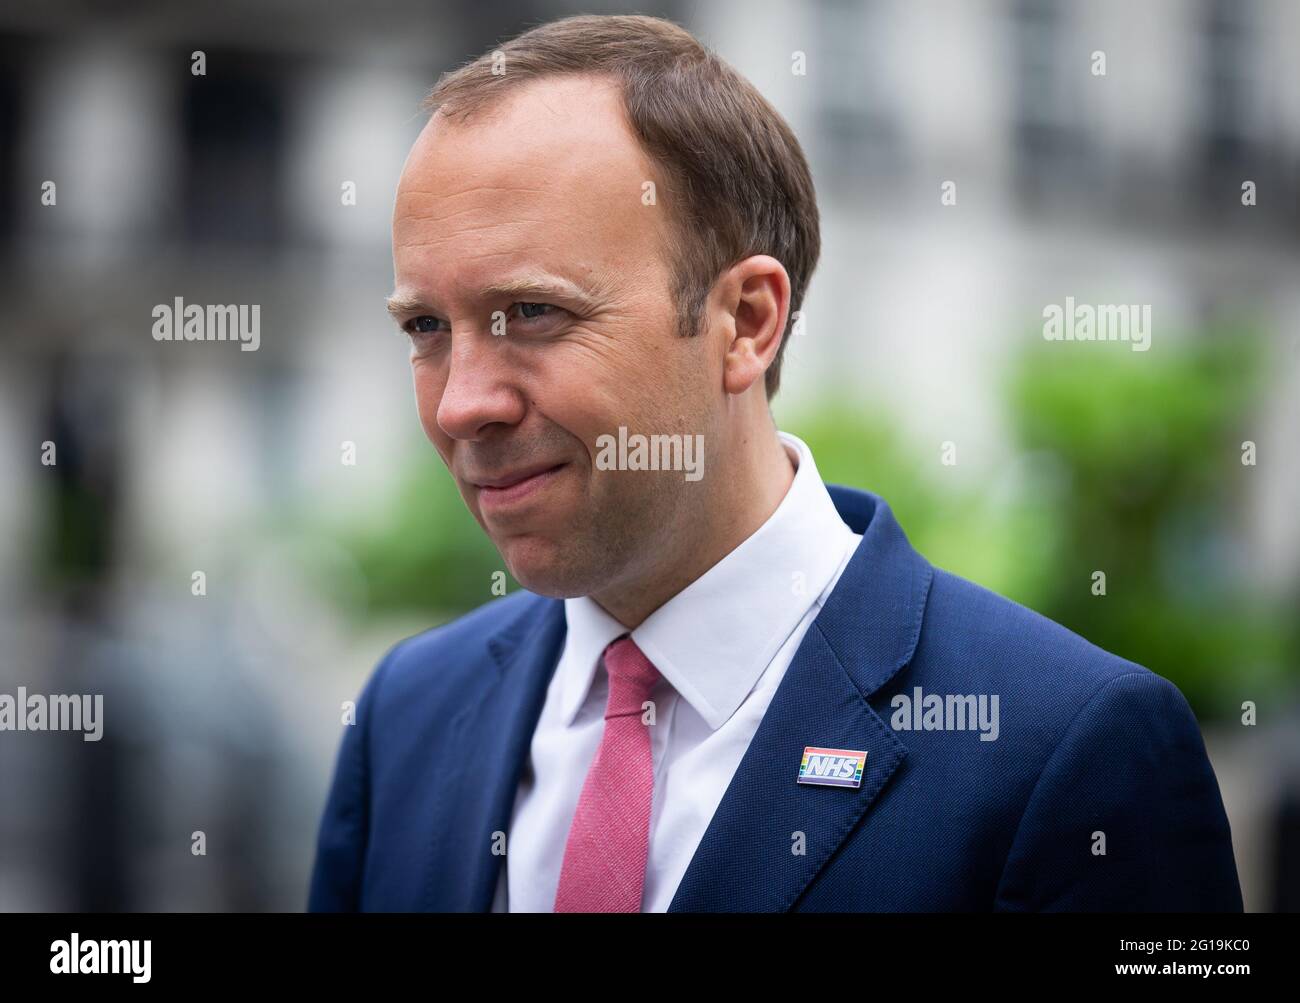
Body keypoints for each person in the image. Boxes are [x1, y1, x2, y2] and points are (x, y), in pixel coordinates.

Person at [308, 14, 1242, 912]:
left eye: (537, 314)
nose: (463, 401)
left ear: (747, 322)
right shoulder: (407, 718)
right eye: (426, 327)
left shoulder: (1071, 747)